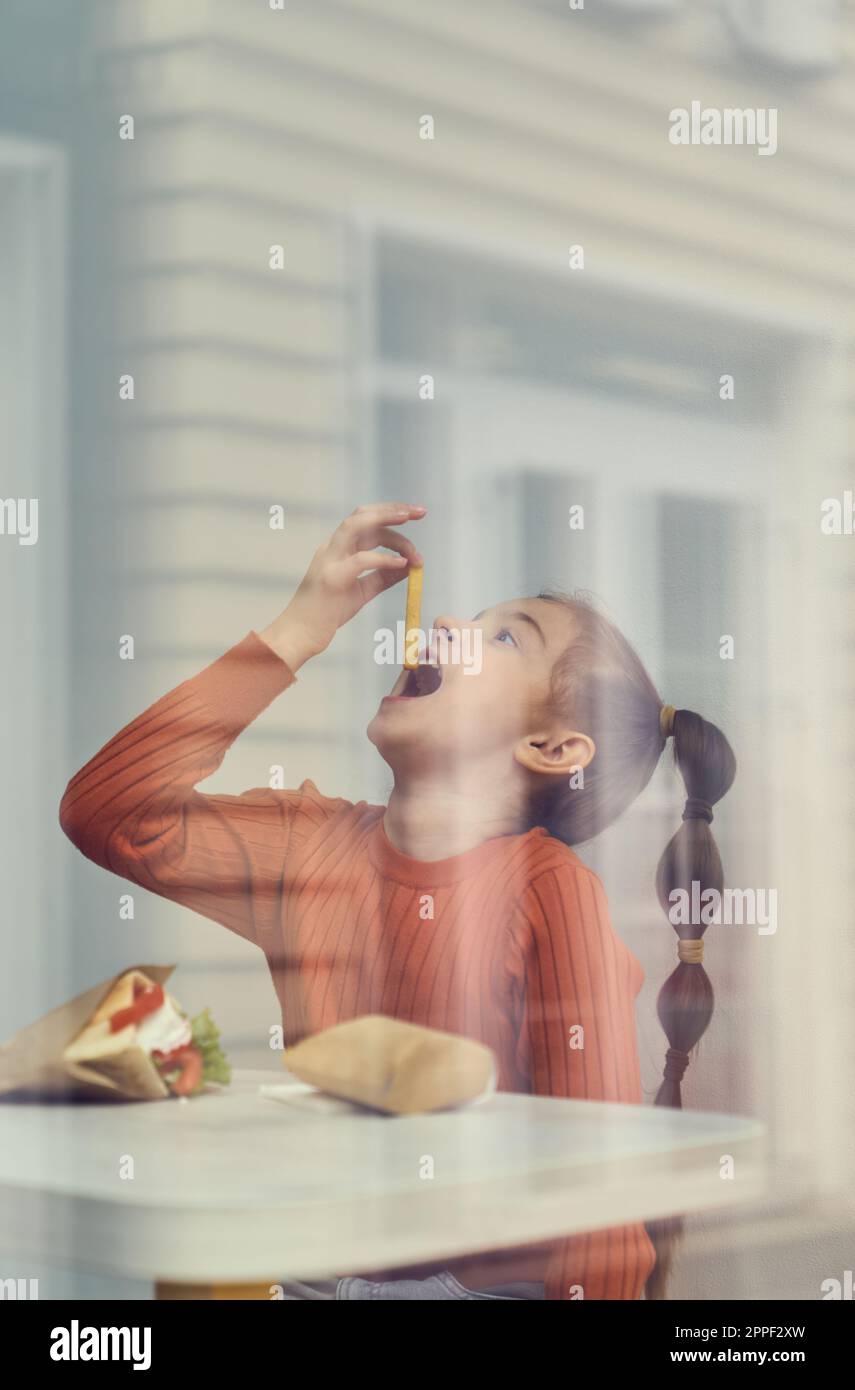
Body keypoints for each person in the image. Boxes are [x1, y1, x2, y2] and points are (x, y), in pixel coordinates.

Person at [59, 501, 735, 1299]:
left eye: (505, 635)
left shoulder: (551, 896)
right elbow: (108, 813)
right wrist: (298, 630)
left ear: (553, 748)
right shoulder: (307, 850)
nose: (447, 622)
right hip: (319, 1267)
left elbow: (598, 1186)